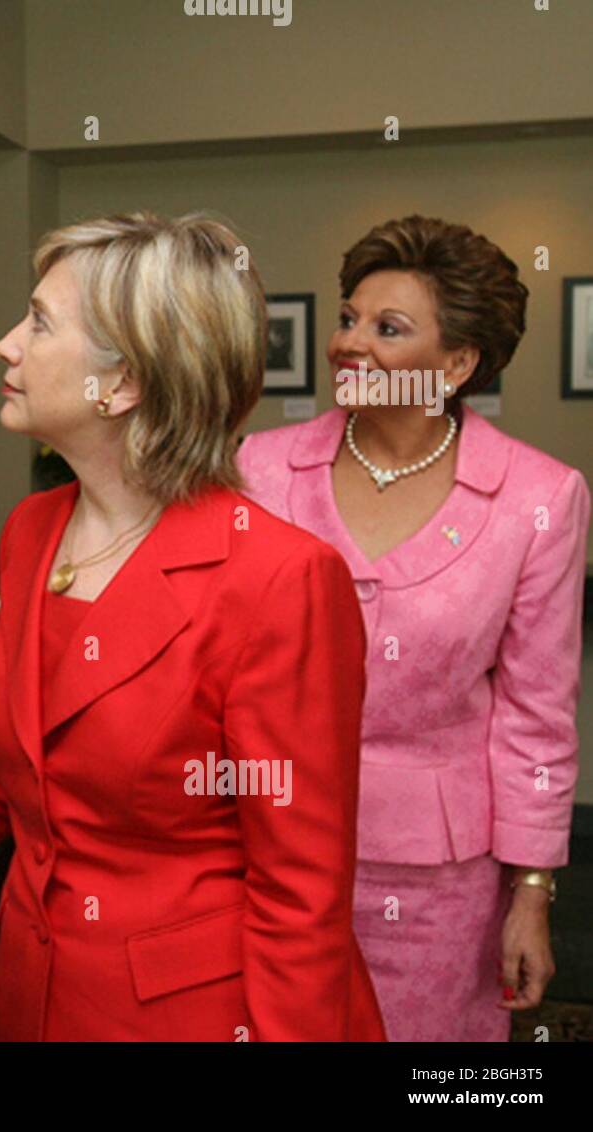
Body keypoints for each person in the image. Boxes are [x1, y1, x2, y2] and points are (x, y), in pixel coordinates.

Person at [0, 211, 387, 1041]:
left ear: (121, 384)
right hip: (26, 994)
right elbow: (10, 771)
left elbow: (298, 892)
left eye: (40, 323)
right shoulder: (32, 531)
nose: (6, 344)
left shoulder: (280, 580)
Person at [236, 215, 589, 1041]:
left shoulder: (539, 499)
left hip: (436, 888)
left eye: (388, 328)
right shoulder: (257, 472)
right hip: (262, 852)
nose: (350, 344)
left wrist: (532, 894)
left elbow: (538, 718)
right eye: (350, 317)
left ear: (458, 364)